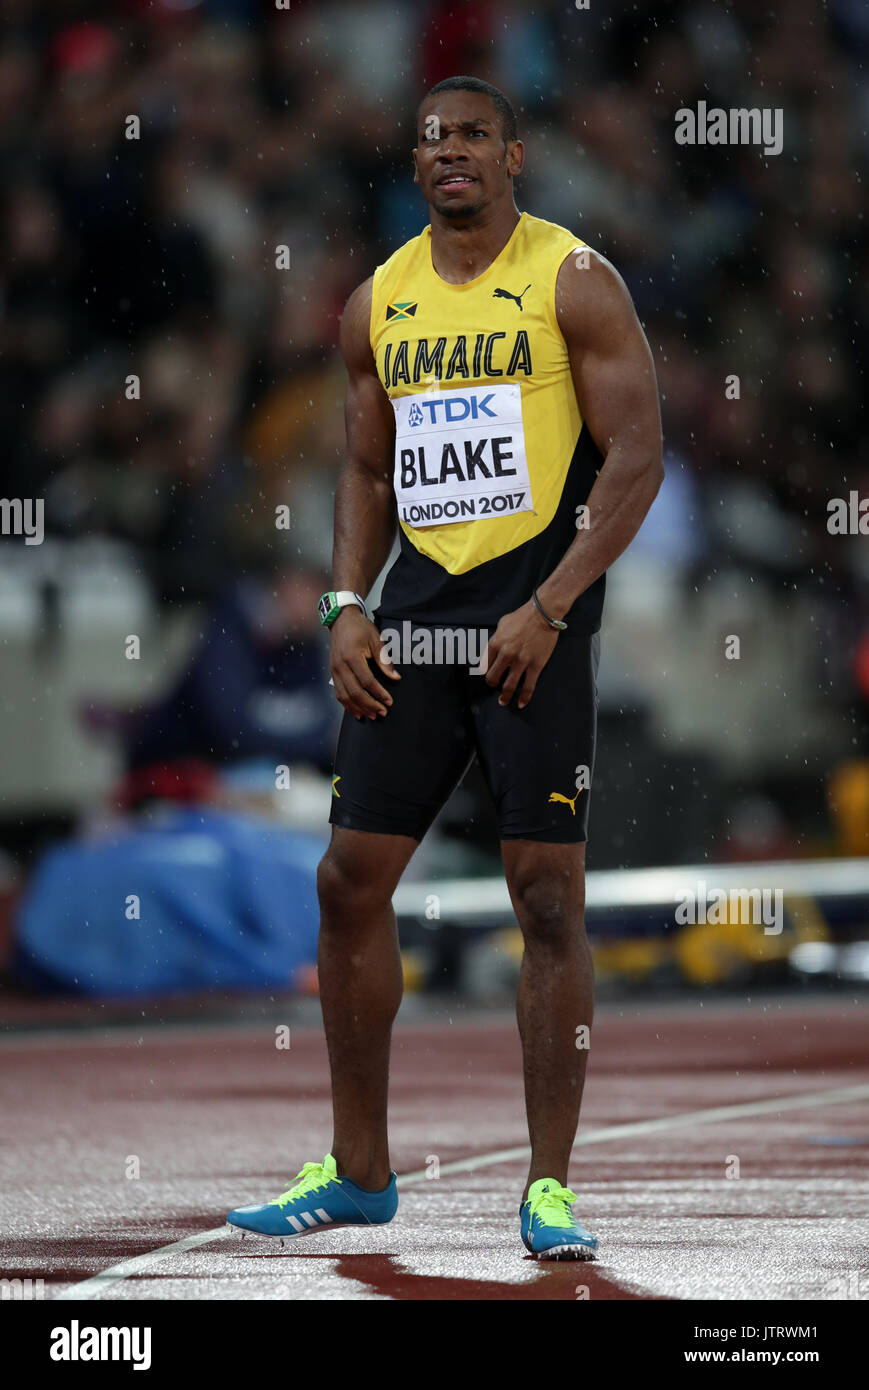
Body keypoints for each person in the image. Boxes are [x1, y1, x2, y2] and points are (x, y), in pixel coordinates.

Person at [227, 76, 662, 1260]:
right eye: (431, 140)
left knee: (545, 896)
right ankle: (361, 1171)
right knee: (344, 882)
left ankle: (548, 1186)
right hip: (413, 617)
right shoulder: (378, 300)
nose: (450, 153)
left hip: (532, 617)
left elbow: (635, 455)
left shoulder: (571, 278)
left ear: (513, 154)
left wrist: (552, 604)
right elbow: (366, 472)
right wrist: (342, 606)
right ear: (413, 165)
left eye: (471, 135)